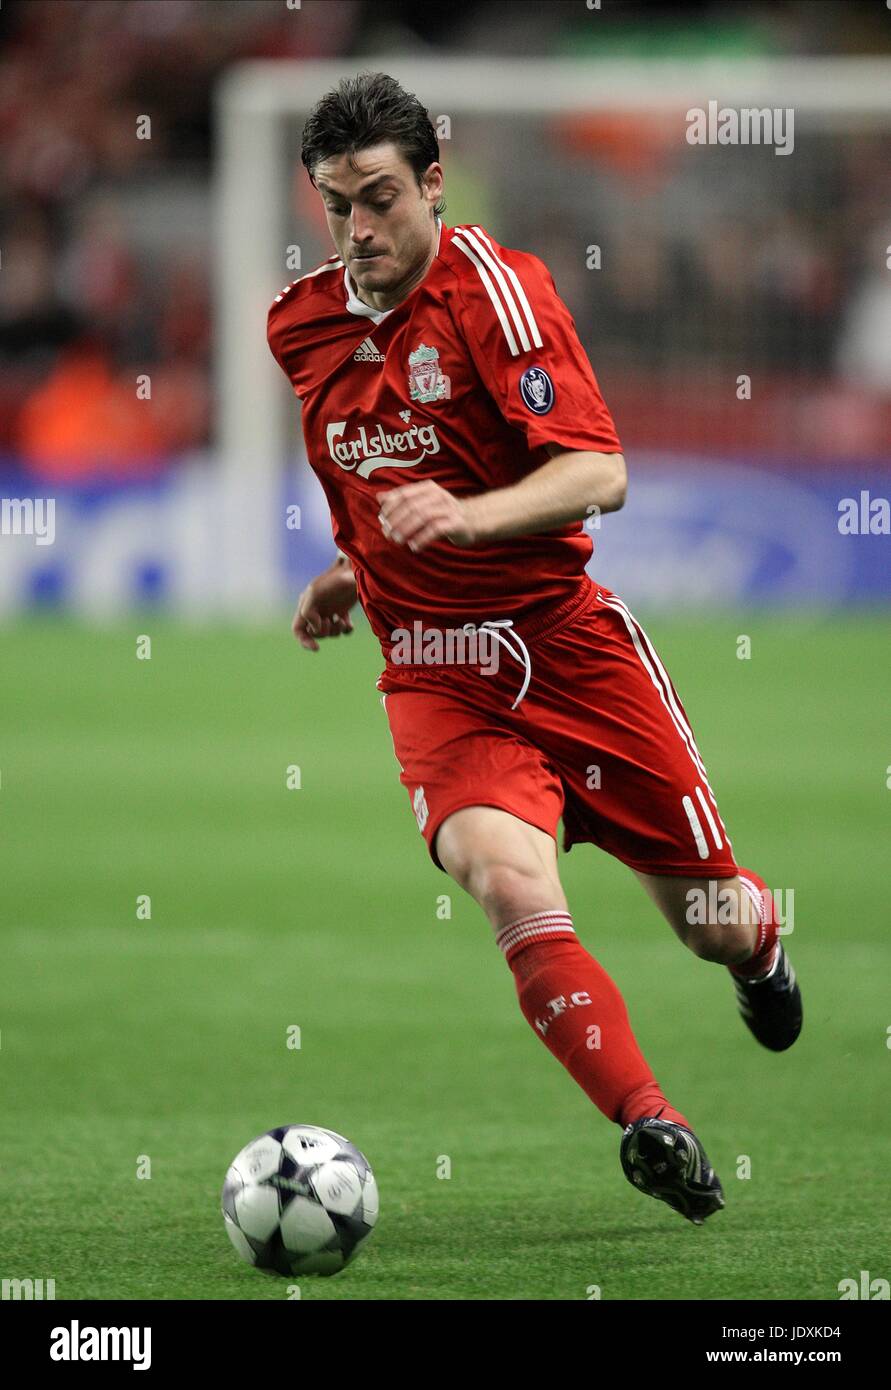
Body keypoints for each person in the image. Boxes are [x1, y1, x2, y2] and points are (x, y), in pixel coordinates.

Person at [267, 72, 802, 1226]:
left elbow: (596, 471)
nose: (358, 229)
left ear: (434, 184)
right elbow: (371, 482)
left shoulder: (498, 295)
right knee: (510, 879)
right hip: (434, 672)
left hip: (565, 648)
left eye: (379, 198)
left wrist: (466, 515)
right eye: (335, 204)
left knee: (715, 922)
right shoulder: (297, 326)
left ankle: (761, 957)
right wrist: (354, 573)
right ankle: (650, 1119)